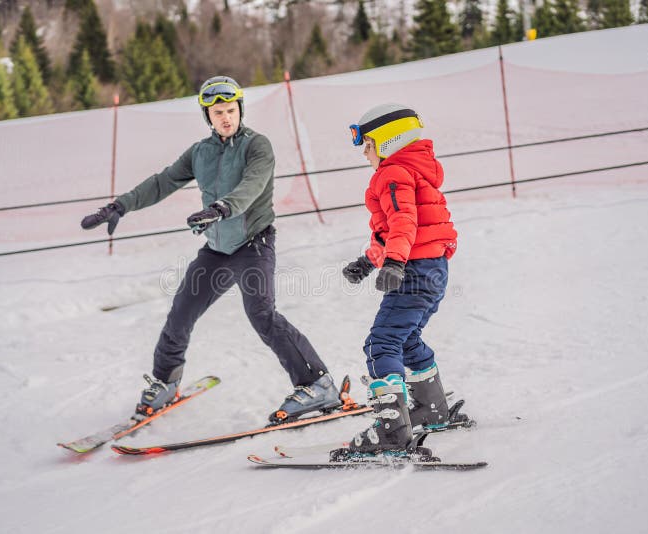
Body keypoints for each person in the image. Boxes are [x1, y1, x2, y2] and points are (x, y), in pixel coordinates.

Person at [80, 76, 340, 423]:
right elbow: (163, 181)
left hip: (253, 245)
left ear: (240, 110)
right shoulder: (201, 153)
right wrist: (120, 206)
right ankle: (166, 381)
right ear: (208, 115)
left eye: (231, 110)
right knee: (181, 314)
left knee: (262, 315)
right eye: (218, 112)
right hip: (217, 251)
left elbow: (252, 186)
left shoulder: (257, 146)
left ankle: (318, 383)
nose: (226, 118)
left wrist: (220, 208)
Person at [340, 103, 468, 454]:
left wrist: (395, 263)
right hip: (434, 268)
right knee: (407, 338)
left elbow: (403, 223)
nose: (364, 153)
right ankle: (431, 409)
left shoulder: (392, 173)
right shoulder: (416, 170)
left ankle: (392, 432)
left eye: (366, 144)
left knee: (381, 344)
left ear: (387, 141)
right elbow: (399, 229)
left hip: (412, 269)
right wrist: (368, 262)